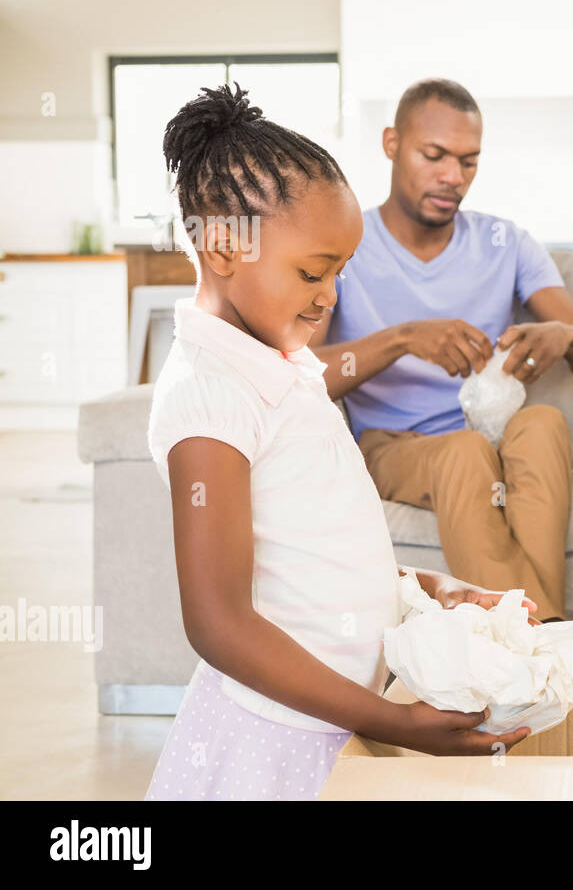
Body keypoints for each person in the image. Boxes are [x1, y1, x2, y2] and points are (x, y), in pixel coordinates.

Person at [144, 84, 535, 801]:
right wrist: (392, 721)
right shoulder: (209, 398)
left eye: (340, 272)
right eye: (312, 272)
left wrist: (432, 587)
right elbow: (218, 623)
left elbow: (316, 557)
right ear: (225, 247)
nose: (329, 296)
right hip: (272, 743)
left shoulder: (286, 365)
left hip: (327, 724)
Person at [310, 79, 573, 624]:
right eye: (435, 156)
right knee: (464, 454)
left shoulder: (505, 242)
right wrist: (402, 338)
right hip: (394, 444)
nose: (453, 177)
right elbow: (303, 378)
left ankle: (530, 653)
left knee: (542, 422)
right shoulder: (345, 243)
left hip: (491, 433)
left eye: (469, 162)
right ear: (391, 143)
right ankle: (543, 644)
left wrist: (564, 336)